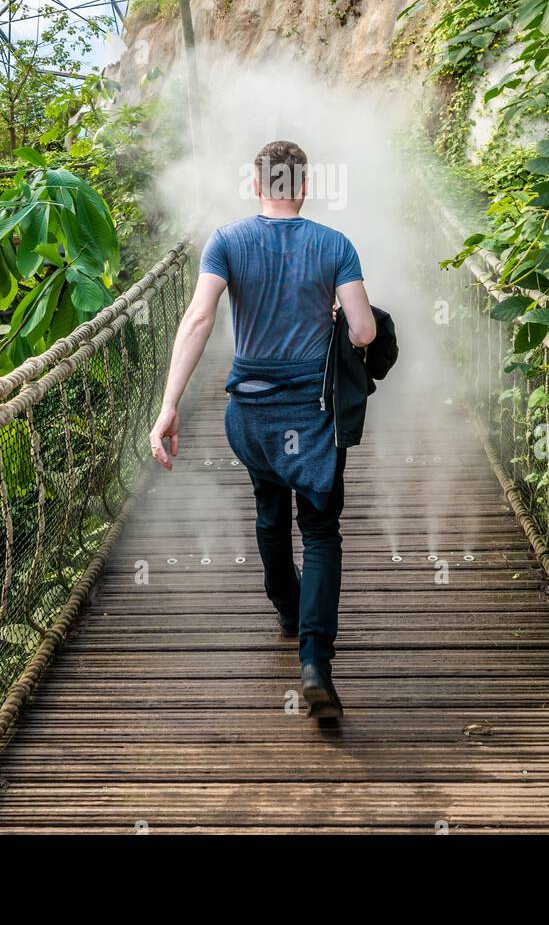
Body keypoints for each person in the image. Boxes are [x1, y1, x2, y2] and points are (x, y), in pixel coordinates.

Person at [149, 140, 376, 725]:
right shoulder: (335, 245)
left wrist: (169, 405)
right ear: (303, 187)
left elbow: (198, 318)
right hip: (314, 415)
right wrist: (334, 315)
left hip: (249, 415)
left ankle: (286, 605)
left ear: (257, 187)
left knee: (270, 509)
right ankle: (315, 663)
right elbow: (365, 332)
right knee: (321, 530)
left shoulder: (226, 241)